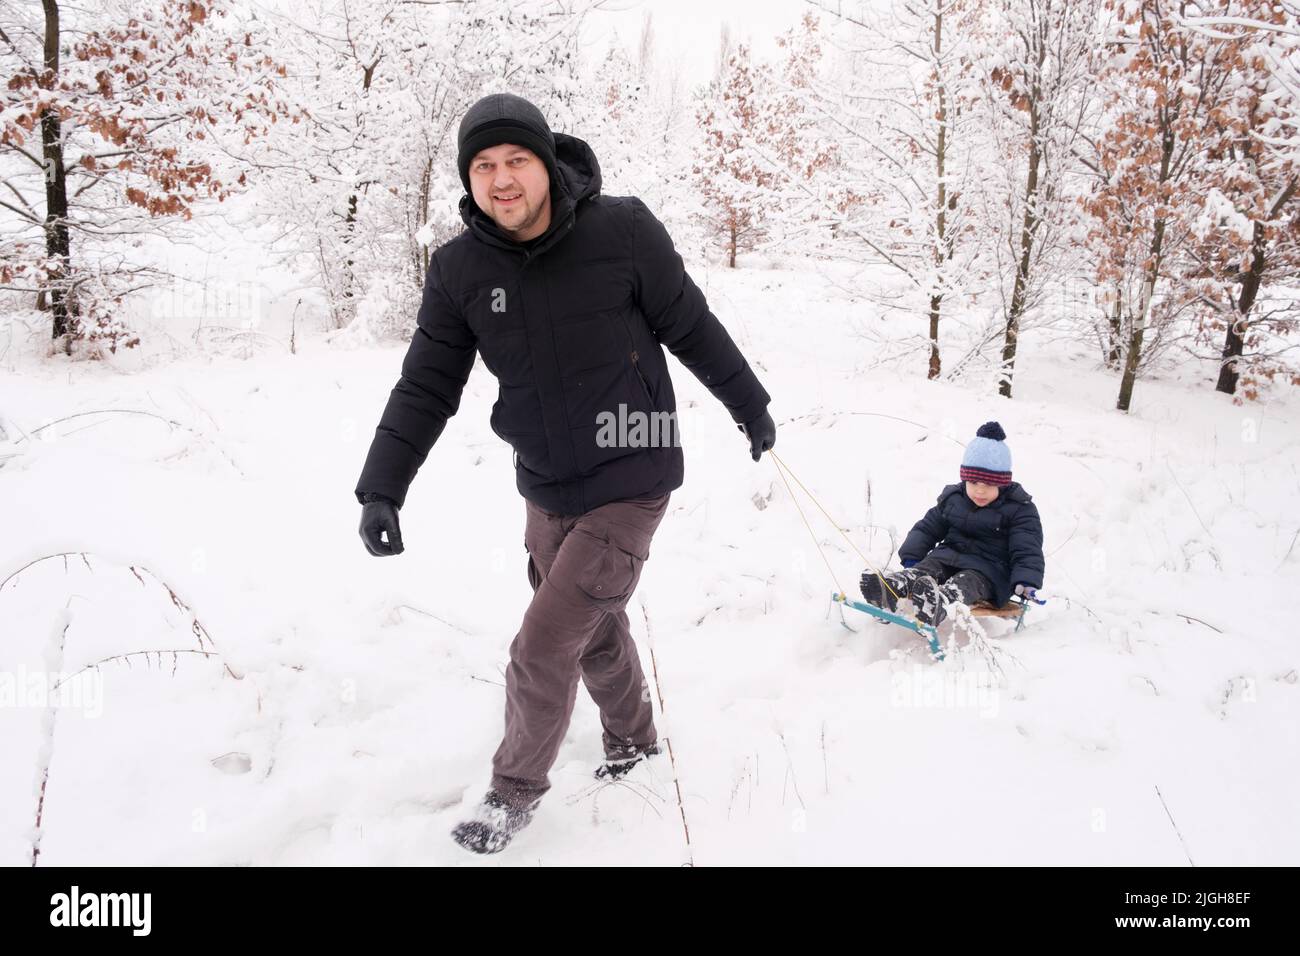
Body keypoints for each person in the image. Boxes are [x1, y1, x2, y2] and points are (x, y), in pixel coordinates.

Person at [354, 93, 776, 854]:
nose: (502, 179)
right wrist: (383, 487)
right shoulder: (458, 270)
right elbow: (426, 384)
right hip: (545, 485)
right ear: (468, 179)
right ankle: (634, 741)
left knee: (545, 641)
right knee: (593, 626)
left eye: (516, 160)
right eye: (483, 166)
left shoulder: (623, 231)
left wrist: (750, 406)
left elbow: (689, 322)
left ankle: (512, 794)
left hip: (634, 472)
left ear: (547, 164)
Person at [860, 422, 1044, 627]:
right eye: (974, 483)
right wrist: (912, 556)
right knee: (928, 568)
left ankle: (940, 602)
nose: (980, 491)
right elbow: (927, 527)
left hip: (989, 571)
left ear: (1003, 483)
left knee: (966, 582)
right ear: (964, 479)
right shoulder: (954, 499)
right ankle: (891, 589)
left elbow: (1027, 549)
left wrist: (1026, 581)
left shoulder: (1020, 510)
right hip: (947, 557)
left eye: (989, 485)